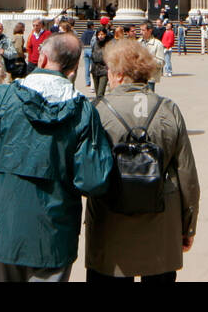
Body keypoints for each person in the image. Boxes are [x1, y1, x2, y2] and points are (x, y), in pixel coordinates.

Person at [0, 32, 114, 282]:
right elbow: (93, 180)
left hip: (3, 224)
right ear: (73, 67)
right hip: (55, 232)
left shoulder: (4, 97)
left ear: (43, 59)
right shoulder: (84, 111)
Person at [86, 38, 200, 283]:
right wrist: (188, 225)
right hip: (161, 218)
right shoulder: (169, 109)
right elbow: (187, 174)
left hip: (111, 219)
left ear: (117, 74)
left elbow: (85, 171)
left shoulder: (97, 110)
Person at [140, 22, 165, 89]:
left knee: (149, 98)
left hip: (150, 78)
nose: (140, 32)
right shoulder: (138, 42)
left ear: (150, 30)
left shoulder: (157, 44)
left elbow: (161, 63)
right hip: (138, 78)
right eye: (140, 30)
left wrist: (149, 59)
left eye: (143, 30)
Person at [90, 26, 111, 98]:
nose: (100, 36)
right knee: (97, 93)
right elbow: (92, 55)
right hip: (95, 70)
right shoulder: (95, 43)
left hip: (103, 70)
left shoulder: (108, 44)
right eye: (99, 35)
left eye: (102, 34)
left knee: (100, 93)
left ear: (105, 34)